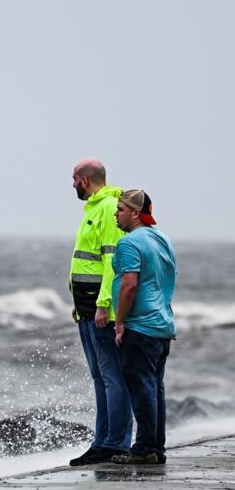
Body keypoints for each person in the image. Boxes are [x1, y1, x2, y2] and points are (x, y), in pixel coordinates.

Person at [67, 159, 132, 466]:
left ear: (84, 179)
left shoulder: (107, 208)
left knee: (111, 376)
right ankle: (101, 441)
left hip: (99, 307)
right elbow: (86, 261)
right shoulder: (91, 208)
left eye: (74, 179)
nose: (72, 185)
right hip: (85, 307)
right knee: (98, 375)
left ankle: (116, 442)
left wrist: (103, 304)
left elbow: (111, 261)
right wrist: (78, 303)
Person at [111, 189, 176, 465]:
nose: (116, 214)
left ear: (136, 212)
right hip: (162, 324)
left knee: (142, 389)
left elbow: (129, 285)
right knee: (155, 388)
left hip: (140, 326)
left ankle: (145, 448)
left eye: (120, 209)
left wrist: (120, 322)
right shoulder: (162, 239)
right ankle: (155, 448)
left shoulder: (129, 243)